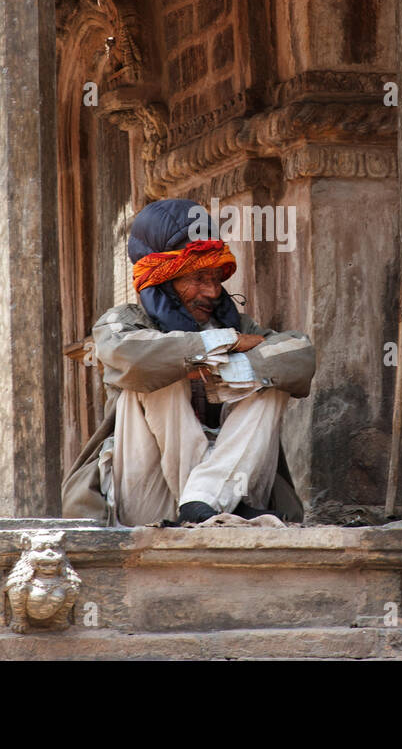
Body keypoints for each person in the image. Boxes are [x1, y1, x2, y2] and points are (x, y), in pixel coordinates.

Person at [61, 198, 315, 525]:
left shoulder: (240, 324)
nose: (211, 292)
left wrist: (227, 370)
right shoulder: (122, 323)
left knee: (272, 376)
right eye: (198, 278)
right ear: (163, 279)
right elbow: (134, 358)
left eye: (216, 278)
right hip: (150, 499)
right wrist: (226, 345)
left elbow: (300, 355)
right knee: (158, 372)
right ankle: (205, 499)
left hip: (235, 495)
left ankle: (204, 498)